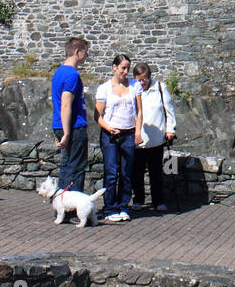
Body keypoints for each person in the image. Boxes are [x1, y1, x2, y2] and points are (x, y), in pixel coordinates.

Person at [95, 55, 143, 223]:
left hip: (128, 133)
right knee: (111, 171)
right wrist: (109, 128)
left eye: (127, 68)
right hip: (111, 135)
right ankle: (110, 207)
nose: (125, 71)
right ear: (114, 67)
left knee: (126, 172)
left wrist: (138, 133)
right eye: (122, 68)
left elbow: (139, 111)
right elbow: (98, 116)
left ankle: (123, 206)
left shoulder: (135, 85)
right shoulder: (104, 88)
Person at [131, 63, 177, 211]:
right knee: (136, 171)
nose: (142, 83)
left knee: (156, 171)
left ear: (149, 77)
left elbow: (169, 110)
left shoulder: (160, 88)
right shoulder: (133, 89)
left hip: (157, 138)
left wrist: (170, 129)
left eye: (144, 79)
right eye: (139, 79)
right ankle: (138, 199)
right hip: (138, 138)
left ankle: (158, 201)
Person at [51, 36, 91, 193]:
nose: (86, 56)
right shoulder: (72, 74)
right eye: (85, 53)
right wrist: (67, 133)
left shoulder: (59, 72)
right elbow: (66, 103)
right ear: (77, 52)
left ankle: (62, 207)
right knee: (75, 169)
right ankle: (72, 208)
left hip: (60, 125)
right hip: (73, 127)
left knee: (67, 165)